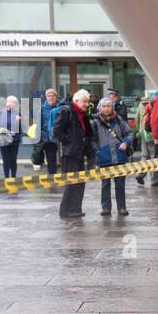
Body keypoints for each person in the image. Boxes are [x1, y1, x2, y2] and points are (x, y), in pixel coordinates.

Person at [54, 89, 93, 218]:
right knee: (71, 183)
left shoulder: (83, 114)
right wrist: (69, 141)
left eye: (87, 102)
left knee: (80, 182)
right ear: (76, 101)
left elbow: (87, 132)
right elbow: (57, 131)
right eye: (84, 102)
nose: (87, 104)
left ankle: (76, 209)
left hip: (80, 153)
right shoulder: (66, 111)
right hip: (70, 153)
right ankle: (66, 210)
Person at [92, 96, 133, 216]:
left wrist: (126, 142)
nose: (106, 109)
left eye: (108, 106)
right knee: (105, 184)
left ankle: (122, 207)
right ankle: (106, 208)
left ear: (112, 107)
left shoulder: (119, 120)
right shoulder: (95, 122)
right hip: (103, 158)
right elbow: (92, 140)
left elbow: (129, 133)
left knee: (120, 184)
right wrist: (98, 152)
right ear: (100, 108)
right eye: (104, 106)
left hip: (119, 157)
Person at [0, 95, 23, 179]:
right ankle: (6, 178)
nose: (10, 103)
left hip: (15, 140)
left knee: (13, 160)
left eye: (13, 102)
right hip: (3, 140)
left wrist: (19, 121)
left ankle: (13, 177)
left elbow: (23, 128)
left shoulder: (18, 114)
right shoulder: (0, 113)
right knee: (6, 160)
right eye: (9, 101)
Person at [38, 89, 62, 175]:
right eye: (49, 96)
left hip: (60, 138)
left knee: (63, 158)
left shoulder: (61, 107)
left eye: (53, 96)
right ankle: (52, 177)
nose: (51, 97)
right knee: (51, 159)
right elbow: (39, 124)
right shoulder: (42, 109)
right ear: (46, 98)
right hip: (48, 139)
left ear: (56, 97)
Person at [134, 92, 154, 184]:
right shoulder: (152, 106)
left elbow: (137, 118)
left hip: (143, 134)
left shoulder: (140, 106)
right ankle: (154, 179)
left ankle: (140, 174)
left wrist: (139, 130)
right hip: (151, 135)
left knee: (144, 156)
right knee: (154, 157)